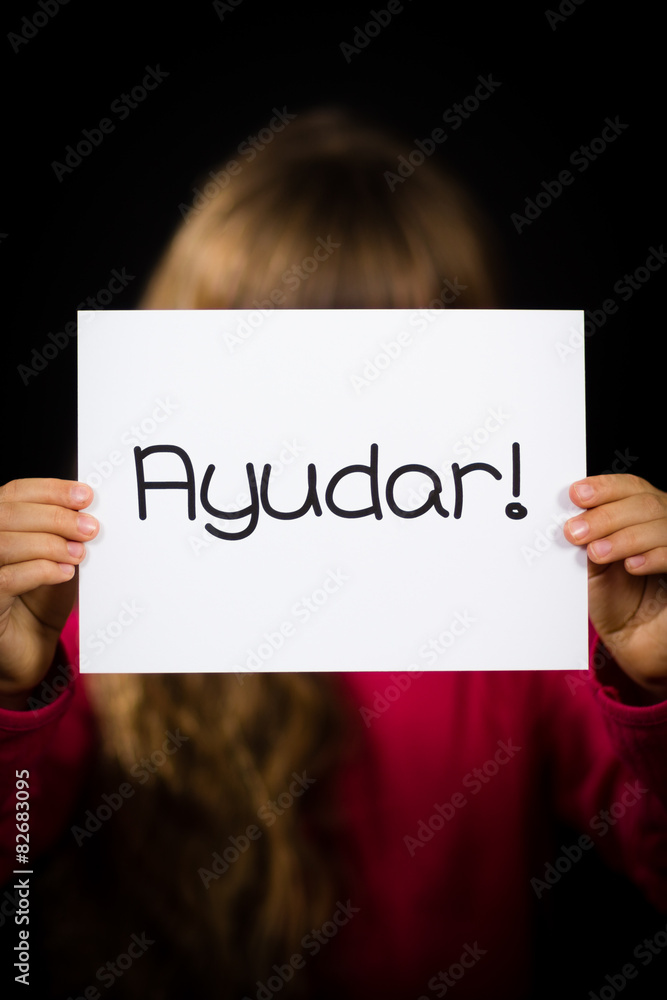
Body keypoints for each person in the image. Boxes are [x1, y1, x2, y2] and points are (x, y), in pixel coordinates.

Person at [1, 108, 667, 1000]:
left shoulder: (533, 630)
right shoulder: (90, 617)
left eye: (391, 360)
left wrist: (656, 689)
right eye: (273, 352)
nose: (334, 418)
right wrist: (10, 698)